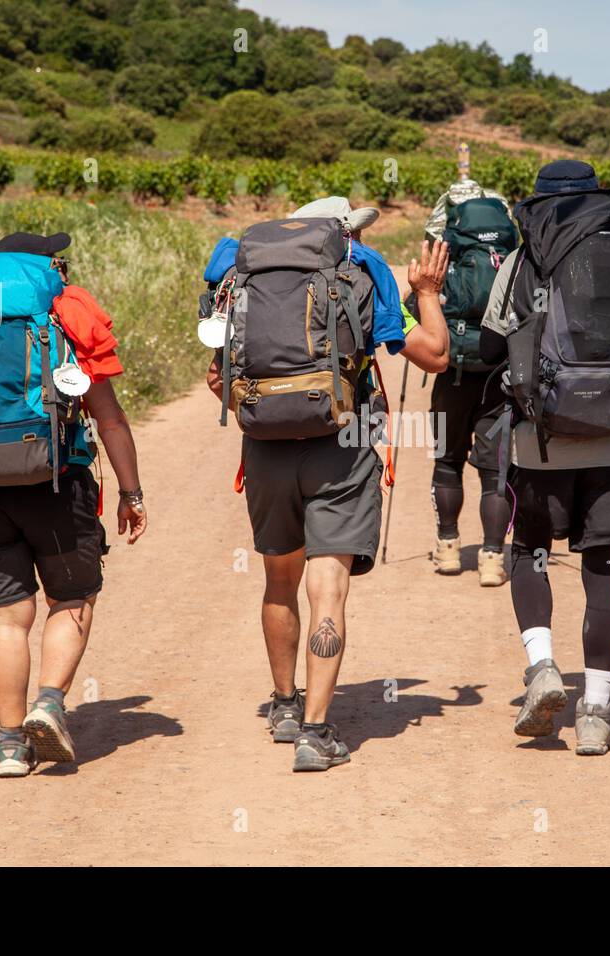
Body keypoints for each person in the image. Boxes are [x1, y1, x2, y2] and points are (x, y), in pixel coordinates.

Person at [202, 197, 449, 772]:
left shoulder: (240, 272)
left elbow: (219, 376)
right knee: (328, 588)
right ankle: (316, 732)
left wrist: (266, 412)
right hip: (343, 443)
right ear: (342, 232)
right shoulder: (363, 270)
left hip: (265, 447)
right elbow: (434, 355)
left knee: (278, 581)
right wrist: (429, 293)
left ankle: (284, 706)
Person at [0, 231, 148, 778]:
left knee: (6, 616)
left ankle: (11, 744)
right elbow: (109, 417)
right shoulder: (65, 315)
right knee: (71, 598)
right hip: (57, 484)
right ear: (47, 267)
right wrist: (132, 493)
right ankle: (48, 704)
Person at [477, 160, 610, 756]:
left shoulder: (527, 252)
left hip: (541, 439)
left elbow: (490, 343)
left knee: (530, 551)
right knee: (602, 568)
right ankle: (598, 714)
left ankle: (543, 668)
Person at [413, 177, 517, 586]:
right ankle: (493, 557)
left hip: (452, 374)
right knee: (495, 472)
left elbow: (418, 309)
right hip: (500, 375)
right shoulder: (508, 252)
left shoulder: (445, 249)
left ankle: (449, 547)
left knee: (447, 460)